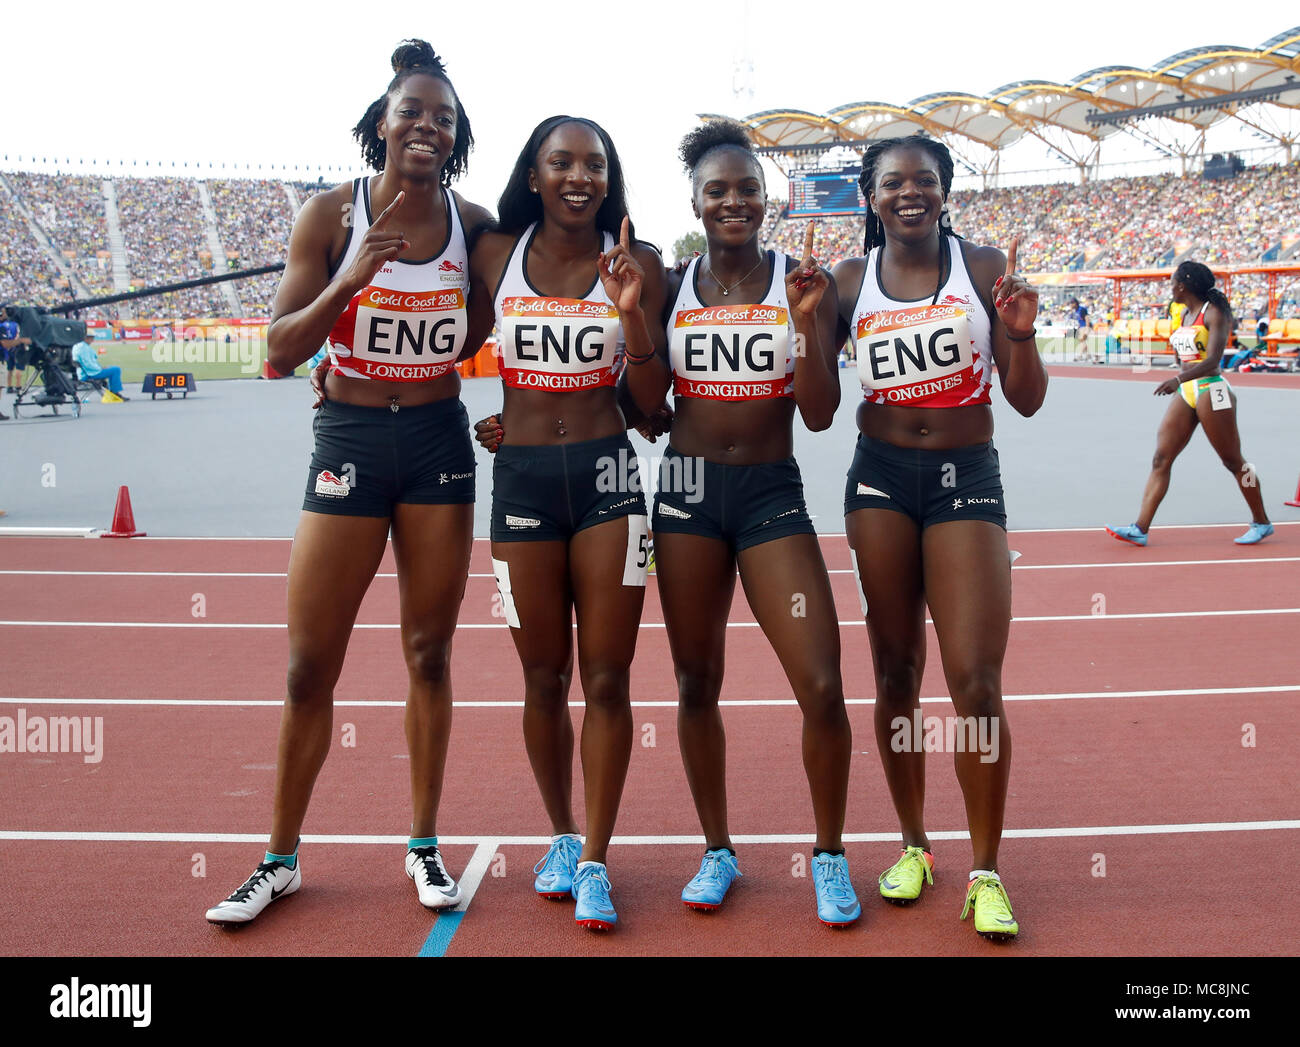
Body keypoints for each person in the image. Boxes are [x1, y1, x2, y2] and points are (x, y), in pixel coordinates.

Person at [206, 39, 494, 926]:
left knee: (430, 654)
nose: (426, 126)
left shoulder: (476, 226)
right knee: (307, 666)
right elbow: (279, 351)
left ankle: (423, 845)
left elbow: (511, 325)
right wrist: (350, 279)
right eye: (412, 111)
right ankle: (280, 857)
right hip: (351, 438)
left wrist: (518, 416)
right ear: (380, 124)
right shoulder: (329, 216)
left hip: (438, 439)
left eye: (443, 118)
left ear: (456, 138)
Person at [620, 120, 858, 926]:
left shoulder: (804, 280)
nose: (733, 201)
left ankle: (829, 854)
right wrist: (637, 324)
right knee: (695, 681)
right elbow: (647, 403)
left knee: (821, 683)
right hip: (685, 491)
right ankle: (717, 848)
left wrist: (803, 325)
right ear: (694, 200)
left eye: (746, 188)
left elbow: (821, 415)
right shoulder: (674, 281)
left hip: (769, 493)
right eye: (717, 190)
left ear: (767, 200)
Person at [833, 133, 1047, 941]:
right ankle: (914, 844)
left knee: (974, 681)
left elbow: (1024, 400)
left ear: (946, 190)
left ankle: (985, 869)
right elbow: (818, 405)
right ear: (871, 195)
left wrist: (1017, 333)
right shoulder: (853, 280)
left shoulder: (986, 268)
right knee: (894, 671)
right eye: (893, 182)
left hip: (966, 477)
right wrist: (816, 321)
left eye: (925, 179)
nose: (909, 192)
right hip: (880, 478)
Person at [466, 115, 664, 931]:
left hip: (610, 479)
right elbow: (442, 328)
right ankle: (560, 831)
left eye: (594, 164)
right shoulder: (494, 254)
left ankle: (595, 860)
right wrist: (333, 371)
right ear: (536, 173)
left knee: (608, 678)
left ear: (609, 178)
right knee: (541, 677)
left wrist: (633, 309)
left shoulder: (640, 262)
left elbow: (652, 409)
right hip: (519, 484)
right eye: (561, 163)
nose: (578, 176)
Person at [1107, 261, 1272, 547]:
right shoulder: (1184, 313)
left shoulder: (1215, 312)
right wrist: (1182, 380)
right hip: (1189, 390)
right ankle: (1140, 528)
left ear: (1183, 285)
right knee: (1161, 457)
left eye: (1171, 283)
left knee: (1233, 460)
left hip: (1213, 389)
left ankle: (1262, 521)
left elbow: (1212, 360)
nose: (1169, 288)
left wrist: (1178, 378)